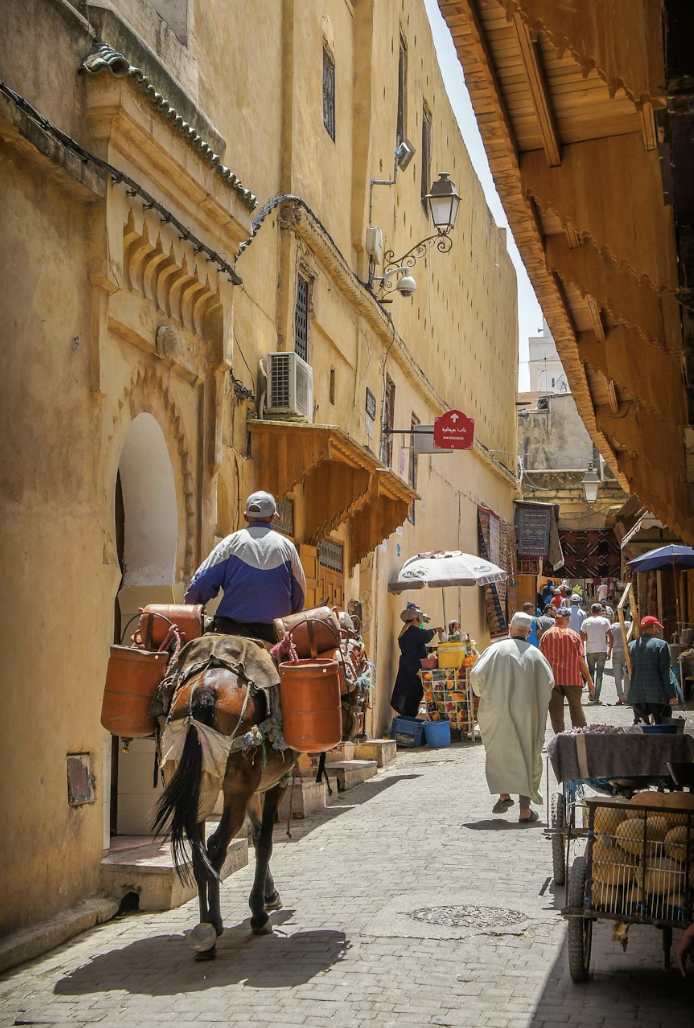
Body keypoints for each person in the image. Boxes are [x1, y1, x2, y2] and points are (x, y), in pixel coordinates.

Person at [184, 490, 306, 644]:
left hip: (230, 630)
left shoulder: (230, 543)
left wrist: (189, 610)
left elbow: (201, 583)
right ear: (273, 517)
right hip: (274, 634)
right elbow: (299, 593)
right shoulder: (287, 547)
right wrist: (288, 617)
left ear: (245, 516)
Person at [471, 613, 554, 823]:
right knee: (527, 754)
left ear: (510, 627)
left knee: (499, 752)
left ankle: (504, 795)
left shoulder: (494, 650)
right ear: (528, 632)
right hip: (527, 712)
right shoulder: (535, 654)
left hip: (496, 710)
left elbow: (476, 675)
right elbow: (549, 682)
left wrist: (483, 693)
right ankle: (525, 811)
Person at [540, 607, 594, 732]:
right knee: (576, 710)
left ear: (556, 619)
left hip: (553, 680)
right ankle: (580, 739)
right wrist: (589, 681)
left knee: (556, 714)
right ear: (567, 619)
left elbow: (541, 660)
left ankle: (560, 740)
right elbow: (581, 660)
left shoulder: (546, 636)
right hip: (573, 679)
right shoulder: (573, 635)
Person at [391, 604, 444, 717]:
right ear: (415, 619)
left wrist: (433, 649)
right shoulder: (412, 630)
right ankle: (408, 720)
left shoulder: (406, 631)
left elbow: (417, 648)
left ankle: (408, 717)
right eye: (419, 620)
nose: (420, 623)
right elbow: (425, 636)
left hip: (408, 667)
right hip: (412, 669)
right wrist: (436, 630)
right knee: (411, 695)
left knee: (409, 694)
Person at [627, 615, 679, 724]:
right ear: (654, 627)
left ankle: (641, 741)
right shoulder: (661, 645)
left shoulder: (631, 645)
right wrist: (672, 694)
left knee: (641, 726)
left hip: (637, 693)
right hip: (657, 694)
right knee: (662, 725)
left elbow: (629, 670)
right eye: (657, 628)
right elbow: (665, 673)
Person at [581, 603, 612, 704]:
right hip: (602, 649)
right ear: (600, 611)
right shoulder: (605, 621)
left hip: (590, 649)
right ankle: (597, 696)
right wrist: (610, 650)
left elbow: (582, 638)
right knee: (599, 674)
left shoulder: (586, 622)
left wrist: (582, 650)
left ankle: (592, 693)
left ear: (591, 611)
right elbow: (611, 636)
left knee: (590, 673)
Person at [608, 614, 631, 705]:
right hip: (626, 652)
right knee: (626, 675)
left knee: (617, 676)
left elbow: (609, 639)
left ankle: (620, 697)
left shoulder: (613, 626)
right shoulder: (629, 624)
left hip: (616, 652)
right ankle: (626, 696)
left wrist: (610, 649)